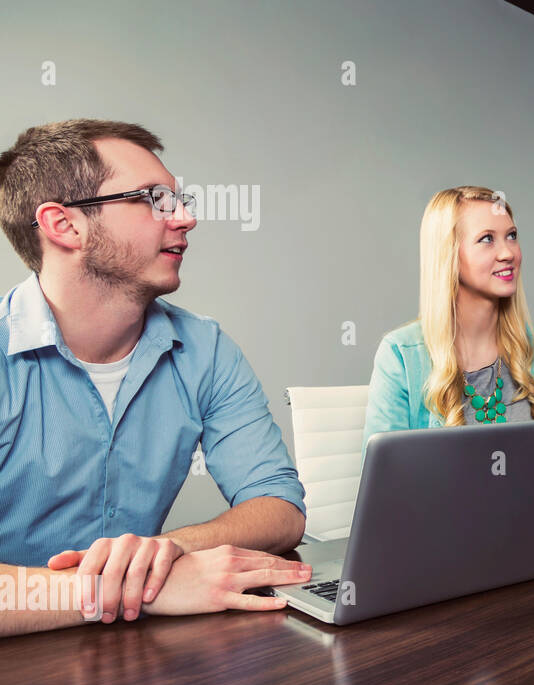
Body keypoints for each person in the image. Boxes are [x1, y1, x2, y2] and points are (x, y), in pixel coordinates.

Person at [0, 120, 312, 635]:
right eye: (154, 200)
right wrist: (132, 590)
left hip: (138, 665)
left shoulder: (206, 348)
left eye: (179, 199)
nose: (186, 218)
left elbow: (279, 506)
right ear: (64, 225)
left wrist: (170, 551)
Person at [363, 186, 534, 548]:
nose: (508, 252)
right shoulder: (400, 355)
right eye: (487, 240)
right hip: (435, 556)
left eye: (511, 235)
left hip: (521, 552)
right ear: (449, 255)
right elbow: (387, 498)